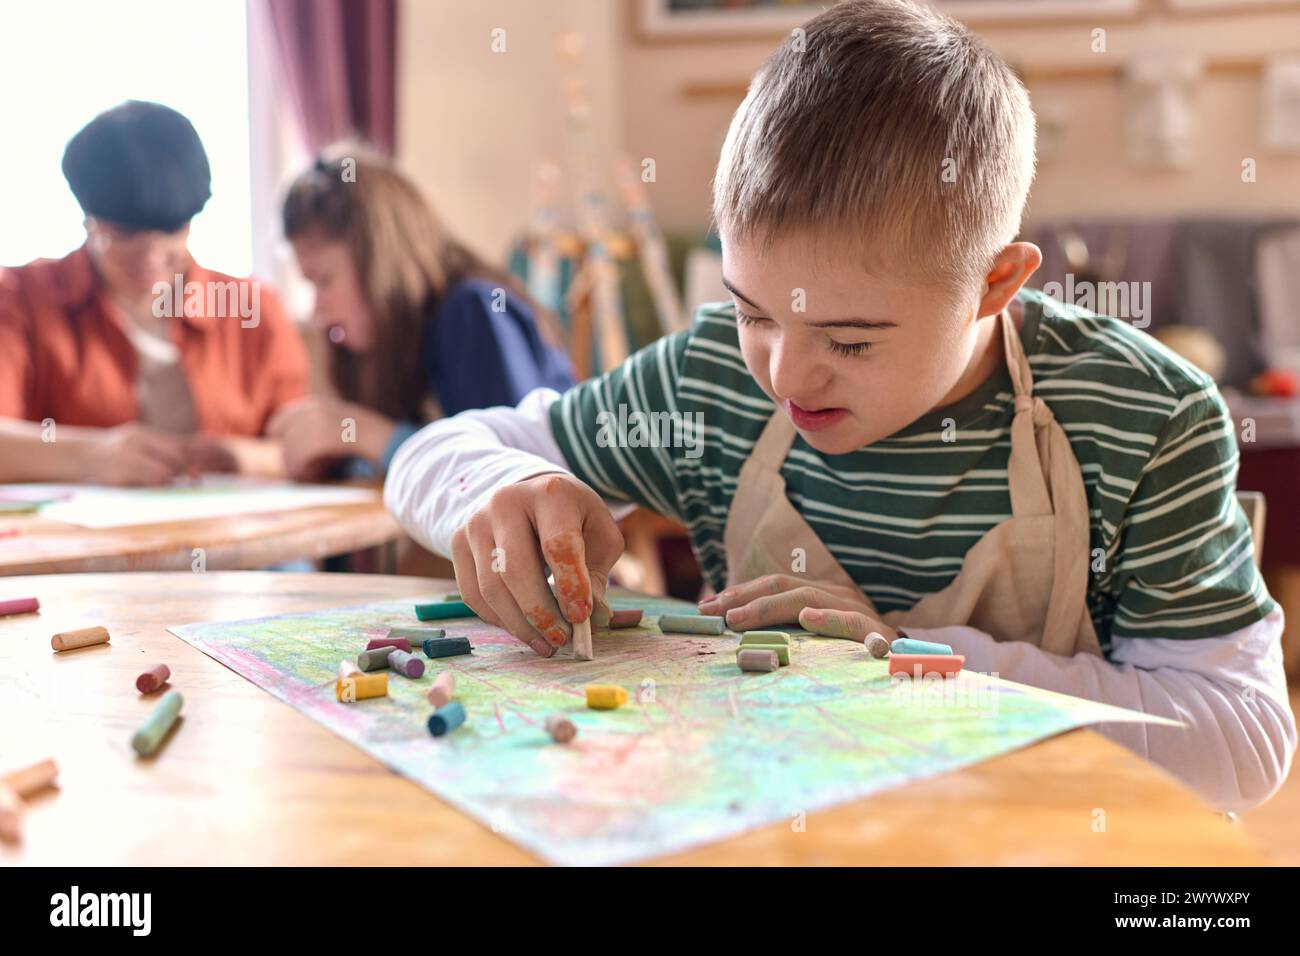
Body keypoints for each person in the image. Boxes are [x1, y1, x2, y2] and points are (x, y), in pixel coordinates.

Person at [381, 0, 1294, 811]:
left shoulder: (1142, 415)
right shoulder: (708, 381)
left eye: (851, 341)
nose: (785, 376)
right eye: (753, 312)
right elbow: (435, 451)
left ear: (994, 284)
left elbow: (1241, 742)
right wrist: (502, 486)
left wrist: (916, 661)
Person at [0, 100, 309, 484]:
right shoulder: (19, 299)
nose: (151, 256)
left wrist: (241, 458)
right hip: (84, 543)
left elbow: (309, 447)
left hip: (238, 538)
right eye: (126, 235)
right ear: (86, 219)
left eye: (170, 230)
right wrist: (89, 457)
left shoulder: (253, 308)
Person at [270, 149, 576, 481]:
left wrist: (366, 434)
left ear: (380, 259)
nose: (316, 310)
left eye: (325, 280)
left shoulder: (471, 311)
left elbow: (521, 475)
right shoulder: (379, 346)